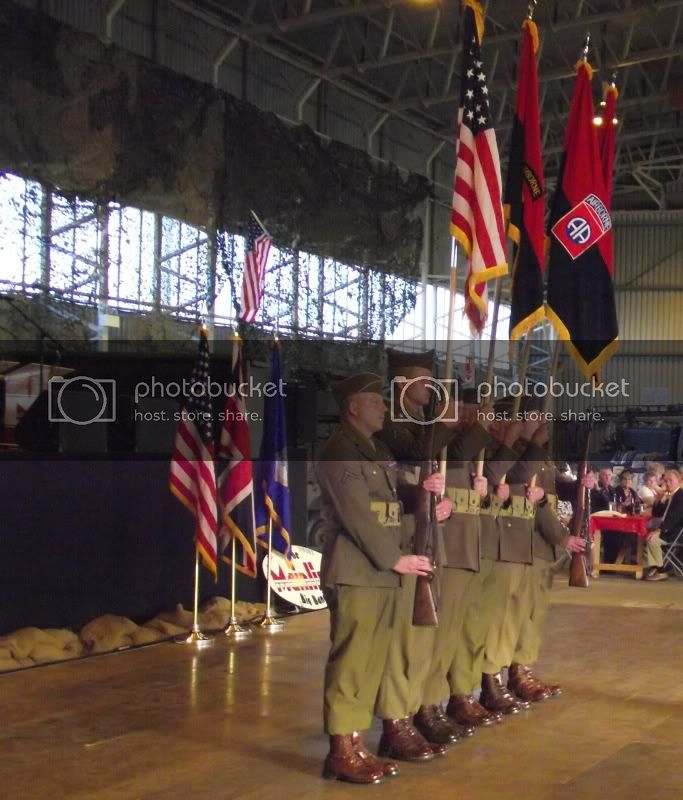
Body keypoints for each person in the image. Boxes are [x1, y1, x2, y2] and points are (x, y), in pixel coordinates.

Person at [317, 372, 446, 783]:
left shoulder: (373, 449)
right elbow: (357, 515)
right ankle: (341, 749)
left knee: (372, 659)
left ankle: (355, 742)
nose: (384, 407)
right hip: (357, 569)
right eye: (375, 401)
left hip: (376, 571)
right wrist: (396, 559)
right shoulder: (340, 451)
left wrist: (422, 490)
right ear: (353, 406)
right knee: (352, 659)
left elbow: (387, 501)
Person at [374, 350, 460, 760]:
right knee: (400, 640)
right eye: (423, 380)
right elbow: (414, 451)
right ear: (401, 384)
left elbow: (428, 476)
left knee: (423, 634)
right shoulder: (391, 423)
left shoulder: (419, 425)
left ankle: (416, 708)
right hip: (400, 538)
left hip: (425, 535)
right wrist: (446, 420)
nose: (430, 388)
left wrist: (443, 504)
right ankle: (395, 720)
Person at [420, 388, 503, 730]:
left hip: (470, 550)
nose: (469, 414)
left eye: (469, 409)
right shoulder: (444, 446)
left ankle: (460, 694)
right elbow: (458, 450)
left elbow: (475, 504)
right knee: (441, 636)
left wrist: (483, 495)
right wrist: (479, 422)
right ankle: (427, 703)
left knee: (465, 632)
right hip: (449, 551)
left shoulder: (469, 451)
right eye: (463, 408)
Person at [506, 423, 587, 701]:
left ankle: (523, 668)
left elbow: (552, 491)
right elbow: (535, 502)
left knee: (534, 614)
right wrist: (562, 537)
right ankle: (513, 673)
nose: (542, 423)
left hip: (540, 547)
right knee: (517, 615)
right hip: (525, 543)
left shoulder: (541, 455)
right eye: (534, 417)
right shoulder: (518, 454)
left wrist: (580, 484)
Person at [645, 468, 683, 581]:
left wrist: (658, 531)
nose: (667, 483)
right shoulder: (670, 495)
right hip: (668, 530)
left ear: (679, 480)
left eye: (671, 480)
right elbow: (656, 514)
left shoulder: (681, 495)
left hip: (675, 534)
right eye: (666, 481)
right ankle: (655, 567)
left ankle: (661, 570)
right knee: (647, 535)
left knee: (652, 539)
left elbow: (673, 518)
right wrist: (659, 499)